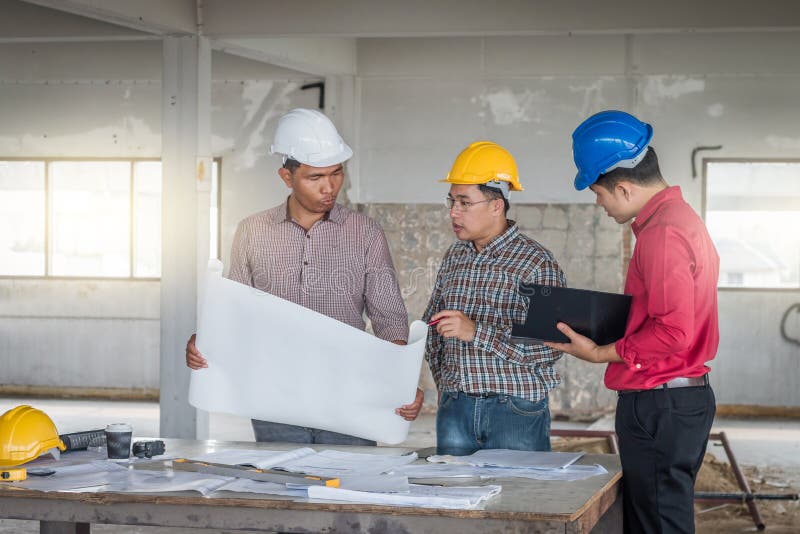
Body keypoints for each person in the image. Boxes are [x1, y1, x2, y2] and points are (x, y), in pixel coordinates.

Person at [185, 108, 424, 445]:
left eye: (336, 173)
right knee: (285, 488)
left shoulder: (365, 233)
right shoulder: (252, 232)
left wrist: (400, 380)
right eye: (315, 177)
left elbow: (389, 318)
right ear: (287, 177)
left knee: (348, 488)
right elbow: (233, 312)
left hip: (350, 394)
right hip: (275, 396)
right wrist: (203, 342)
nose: (330, 187)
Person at [546, 110, 718, 533]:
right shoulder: (683, 221)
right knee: (657, 518)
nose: (599, 204)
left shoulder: (661, 234)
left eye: (598, 194)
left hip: (659, 403)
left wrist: (601, 352)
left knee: (656, 523)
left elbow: (674, 331)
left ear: (623, 187)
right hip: (677, 400)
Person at [423, 141, 567, 456]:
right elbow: (432, 329)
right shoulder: (455, 255)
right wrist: (447, 388)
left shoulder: (536, 263)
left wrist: (476, 332)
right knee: (453, 502)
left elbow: (549, 348)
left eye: (464, 202)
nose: (453, 212)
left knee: (518, 499)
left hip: (514, 410)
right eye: (451, 201)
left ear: (496, 205)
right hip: (455, 408)